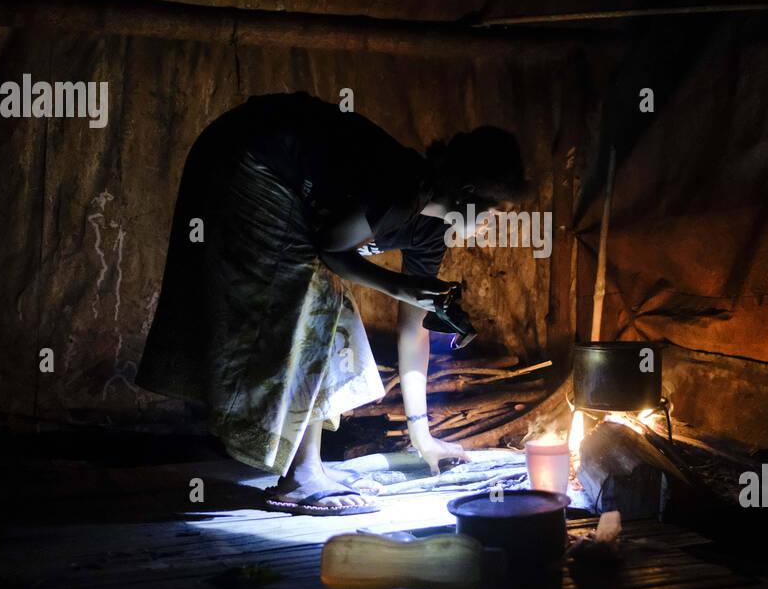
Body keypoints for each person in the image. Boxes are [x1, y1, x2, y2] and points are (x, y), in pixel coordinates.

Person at [136, 92, 529, 515]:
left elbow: (413, 329)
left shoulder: (430, 233)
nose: (489, 222)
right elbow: (329, 249)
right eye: (489, 211)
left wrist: (422, 436)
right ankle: (302, 476)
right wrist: (399, 286)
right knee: (314, 298)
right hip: (247, 154)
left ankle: (309, 466)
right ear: (466, 193)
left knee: (325, 304)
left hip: (273, 161)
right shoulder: (401, 189)